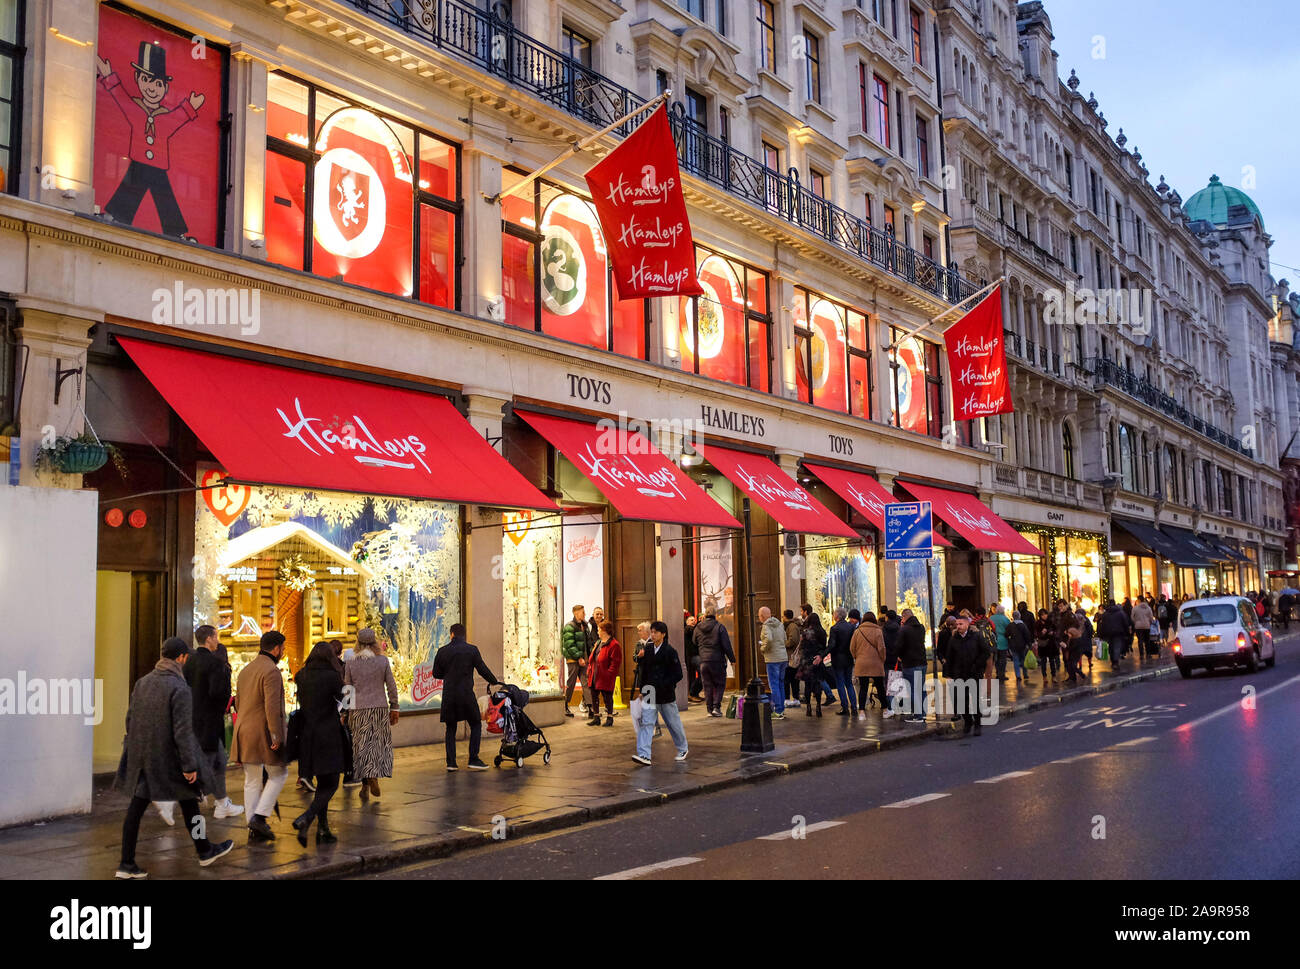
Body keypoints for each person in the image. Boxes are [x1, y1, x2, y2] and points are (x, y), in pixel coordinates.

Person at [115, 637, 234, 878]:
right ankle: (205, 850)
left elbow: (130, 719)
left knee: (136, 810)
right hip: (169, 759)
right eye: (185, 656)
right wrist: (189, 765)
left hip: (144, 756)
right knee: (191, 802)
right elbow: (183, 731)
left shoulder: (143, 682)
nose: (186, 659)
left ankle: (126, 864)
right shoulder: (179, 688)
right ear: (180, 658)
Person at [231, 630, 289, 843]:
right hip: (262, 731)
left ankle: (253, 826)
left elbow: (238, 702)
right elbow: (272, 707)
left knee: (252, 780)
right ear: (276, 649)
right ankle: (260, 816)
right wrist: (276, 735)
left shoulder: (246, 669)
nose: (283, 652)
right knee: (279, 774)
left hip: (243, 730)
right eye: (283, 648)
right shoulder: (271, 671)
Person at [182, 624, 242, 819]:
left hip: (193, 717)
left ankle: (222, 803)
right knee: (209, 762)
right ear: (208, 639)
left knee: (218, 762)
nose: (217, 640)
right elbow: (219, 694)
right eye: (215, 637)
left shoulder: (189, 662)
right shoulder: (215, 664)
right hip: (210, 721)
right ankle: (175, 796)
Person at [291, 641, 346, 846]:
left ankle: (323, 829)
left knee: (322, 782)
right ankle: (307, 816)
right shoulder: (332, 676)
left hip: (307, 735)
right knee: (331, 783)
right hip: (328, 734)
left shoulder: (302, 675)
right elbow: (347, 700)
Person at [431, 623, 500, 771]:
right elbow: (482, 669)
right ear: (464, 635)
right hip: (466, 694)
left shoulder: (442, 651)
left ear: (451, 634)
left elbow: (436, 673)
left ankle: (451, 763)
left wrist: (449, 675)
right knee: (475, 723)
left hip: (449, 695)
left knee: (450, 728)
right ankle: (473, 758)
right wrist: (494, 681)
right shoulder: (472, 650)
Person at [344, 628, 399, 799]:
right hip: (379, 708)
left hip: (358, 710)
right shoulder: (382, 661)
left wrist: (345, 712)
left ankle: (365, 785)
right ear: (375, 642)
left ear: (358, 643)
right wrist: (394, 706)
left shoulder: (351, 662)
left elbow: (348, 689)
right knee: (376, 746)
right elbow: (391, 685)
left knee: (361, 748)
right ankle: (373, 777)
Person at [633, 621, 688, 765]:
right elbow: (644, 671)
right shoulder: (648, 649)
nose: (653, 634)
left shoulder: (670, 651)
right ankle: (644, 754)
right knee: (647, 723)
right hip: (650, 692)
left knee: (672, 723)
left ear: (663, 634)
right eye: (652, 632)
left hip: (665, 693)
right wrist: (642, 690)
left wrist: (665, 684)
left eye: (656, 632)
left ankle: (683, 748)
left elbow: (678, 674)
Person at [945, 615, 991, 736]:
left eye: (960, 624)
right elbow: (949, 657)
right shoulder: (954, 639)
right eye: (957, 624)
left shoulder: (976, 637)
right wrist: (949, 674)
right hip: (959, 674)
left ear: (967, 625)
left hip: (974, 673)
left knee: (975, 700)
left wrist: (978, 666)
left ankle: (977, 723)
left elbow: (986, 652)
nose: (958, 626)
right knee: (961, 700)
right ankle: (968, 721)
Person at [692, 608, 736, 717]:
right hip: (717, 660)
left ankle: (709, 710)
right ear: (715, 614)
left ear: (705, 615)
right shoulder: (719, 627)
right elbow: (726, 645)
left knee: (707, 685)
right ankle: (716, 707)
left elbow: (694, 641)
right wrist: (732, 659)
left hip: (704, 661)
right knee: (720, 684)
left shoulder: (698, 627)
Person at [850, 611, 886, 721]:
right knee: (880, 687)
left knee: (863, 688)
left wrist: (858, 657)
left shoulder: (857, 631)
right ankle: (885, 710)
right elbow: (881, 648)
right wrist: (882, 659)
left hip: (862, 663)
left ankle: (861, 712)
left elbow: (852, 648)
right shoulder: (878, 631)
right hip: (876, 663)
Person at [586, 621, 623, 727]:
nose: (597, 631)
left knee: (607, 697)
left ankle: (610, 717)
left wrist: (609, 674)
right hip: (595, 674)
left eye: (599, 629)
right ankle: (596, 717)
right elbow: (593, 658)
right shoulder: (598, 643)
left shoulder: (614, 644)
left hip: (605, 676)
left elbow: (615, 663)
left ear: (605, 631)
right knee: (594, 695)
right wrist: (590, 669)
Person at [797, 605, 830, 717]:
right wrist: (820, 655)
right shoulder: (822, 631)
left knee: (807, 685)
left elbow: (802, 647)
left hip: (807, 660)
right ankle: (819, 707)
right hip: (818, 659)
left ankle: (809, 707)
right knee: (817, 684)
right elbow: (824, 647)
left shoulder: (806, 632)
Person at [561, 605, 594, 717]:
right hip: (573, 660)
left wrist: (588, 657)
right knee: (571, 683)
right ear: (576, 613)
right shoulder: (569, 626)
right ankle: (565, 705)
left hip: (584, 660)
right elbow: (569, 644)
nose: (584, 614)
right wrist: (579, 657)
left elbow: (588, 643)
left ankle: (590, 707)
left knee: (586, 683)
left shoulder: (585, 625)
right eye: (582, 612)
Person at [896, 609, 928, 723]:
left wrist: (899, 656)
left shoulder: (904, 630)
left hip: (910, 663)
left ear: (904, 618)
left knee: (913, 689)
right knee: (921, 689)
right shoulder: (921, 628)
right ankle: (923, 713)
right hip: (922, 662)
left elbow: (899, 646)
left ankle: (918, 715)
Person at [827, 607, 859, 716]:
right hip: (849, 658)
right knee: (849, 683)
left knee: (840, 683)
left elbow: (831, 645)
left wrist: (822, 655)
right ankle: (854, 707)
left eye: (834, 614)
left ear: (837, 616)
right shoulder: (851, 627)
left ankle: (845, 707)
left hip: (837, 659)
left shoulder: (834, 628)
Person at [758, 606, 788, 719]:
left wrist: (763, 648)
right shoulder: (780, 624)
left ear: (762, 616)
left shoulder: (766, 626)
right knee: (780, 684)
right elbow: (784, 638)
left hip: (773, 659)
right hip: (783, 658)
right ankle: (781, 709)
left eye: (759, 616)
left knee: (774, 685)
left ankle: (778, 710)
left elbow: (769, 639)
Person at [1096, 599, 1128, 672]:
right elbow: (1125, 622)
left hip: (1108, 633)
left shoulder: (1105, 614)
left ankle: (1113, 661)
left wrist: (1100, 634)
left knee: (1111, 647)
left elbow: (1102, 625)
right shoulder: (1120, 613)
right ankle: (1115, 662)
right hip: (1118, 632)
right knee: (1116, 646)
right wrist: (1126, 633)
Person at [1006, 608, 1032, 684]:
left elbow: (1006, 634)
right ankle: (1025, 674)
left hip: (1013, 645)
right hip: (1022, 645)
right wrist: (1029, 644)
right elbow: (1027, 635)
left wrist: (1010, 640)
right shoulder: (1023, 625)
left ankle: (1018, 676)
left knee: (1016, 660)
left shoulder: (1010, 625)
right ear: (1019, 616)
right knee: (1023, 659)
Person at [783, 609, 803, 707]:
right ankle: (794, 698)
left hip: (791, 657)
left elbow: (793, 640)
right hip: (790, 656)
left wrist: (783, 644)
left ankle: (791, 698)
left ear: (785, 616)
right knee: (791, 679)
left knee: (789, 679)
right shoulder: (791, 626)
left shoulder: (792, 626)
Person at [1035, 608, 1059, 681]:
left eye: (1045, 614)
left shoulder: (1050, 622)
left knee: (1052, 661)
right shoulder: (1038, 623)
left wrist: (1053, 633)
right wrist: (1042, 633)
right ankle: (1044, 676)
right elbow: (1036, 634)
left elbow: (1056, 630)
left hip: (1051, 644)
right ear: (1040, 616)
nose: (1044, 616)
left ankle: (1053, 676)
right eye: (1042, 615)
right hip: (1043, 645)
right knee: (1043, 661)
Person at [684, 614, 703, 703]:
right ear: (687, 622)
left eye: (694, 620)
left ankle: (694, 694)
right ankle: (692, 694)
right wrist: (700, 622)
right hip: (692, 656)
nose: (693, 621)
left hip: (695, 656)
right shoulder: (688, 629)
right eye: (691, 620)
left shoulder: (694, 629)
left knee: (700, 674)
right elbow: (691, 630)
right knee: (703, 671)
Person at [990, 603, 1011, 681]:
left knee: (996, 658)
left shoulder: (991, 618)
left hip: (994, 639)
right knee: (1003, 658)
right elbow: (1009, 629)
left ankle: (998, 673)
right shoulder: (1005, 619)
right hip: (1003, 640)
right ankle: (1002, 674)